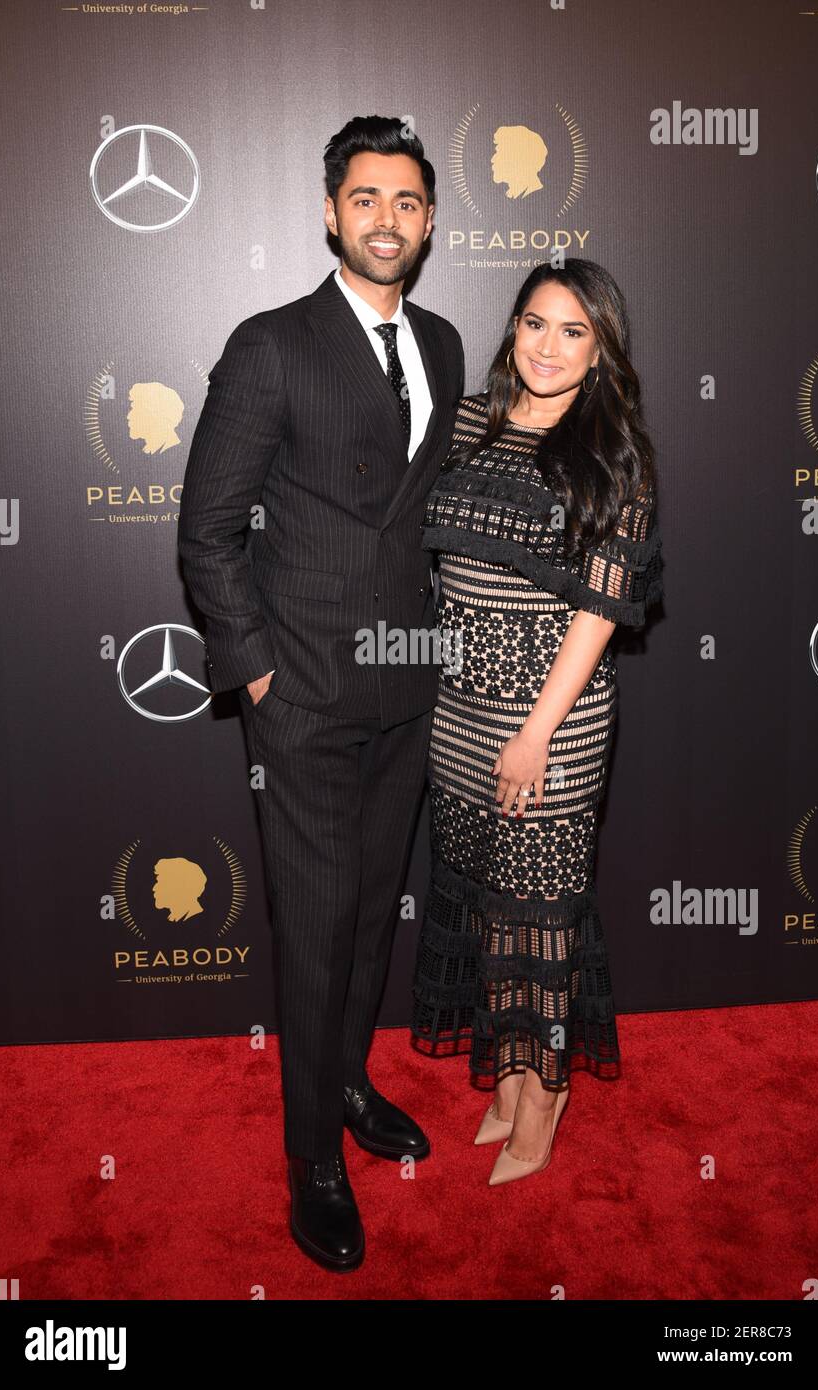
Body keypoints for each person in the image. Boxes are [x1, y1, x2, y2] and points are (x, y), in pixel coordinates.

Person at [177, 115, 464, 1269]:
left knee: (368, 915)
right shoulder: (272, 344)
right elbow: (205, 535)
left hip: (408, 691)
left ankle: (347, 1081)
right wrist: (258, 676)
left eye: (406, 201)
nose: (385, 219)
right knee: (314, 931)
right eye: (365, 199)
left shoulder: (442, 343)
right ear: (331, 213)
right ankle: (311, 1158)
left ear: (430, 220)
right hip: (299, 698)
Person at [410, 258, 663, 1185]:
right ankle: (512, 1074)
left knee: (539, 915)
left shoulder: (613, 454)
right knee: (486, 904)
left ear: (600, 352)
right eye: (532, 324)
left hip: (548, 717)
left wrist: (535, 732)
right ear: (510, 330)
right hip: (457, 710)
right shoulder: (470, 427)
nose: (546, 346)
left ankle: (543, 1087)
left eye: (572, 331)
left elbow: (598, 612)